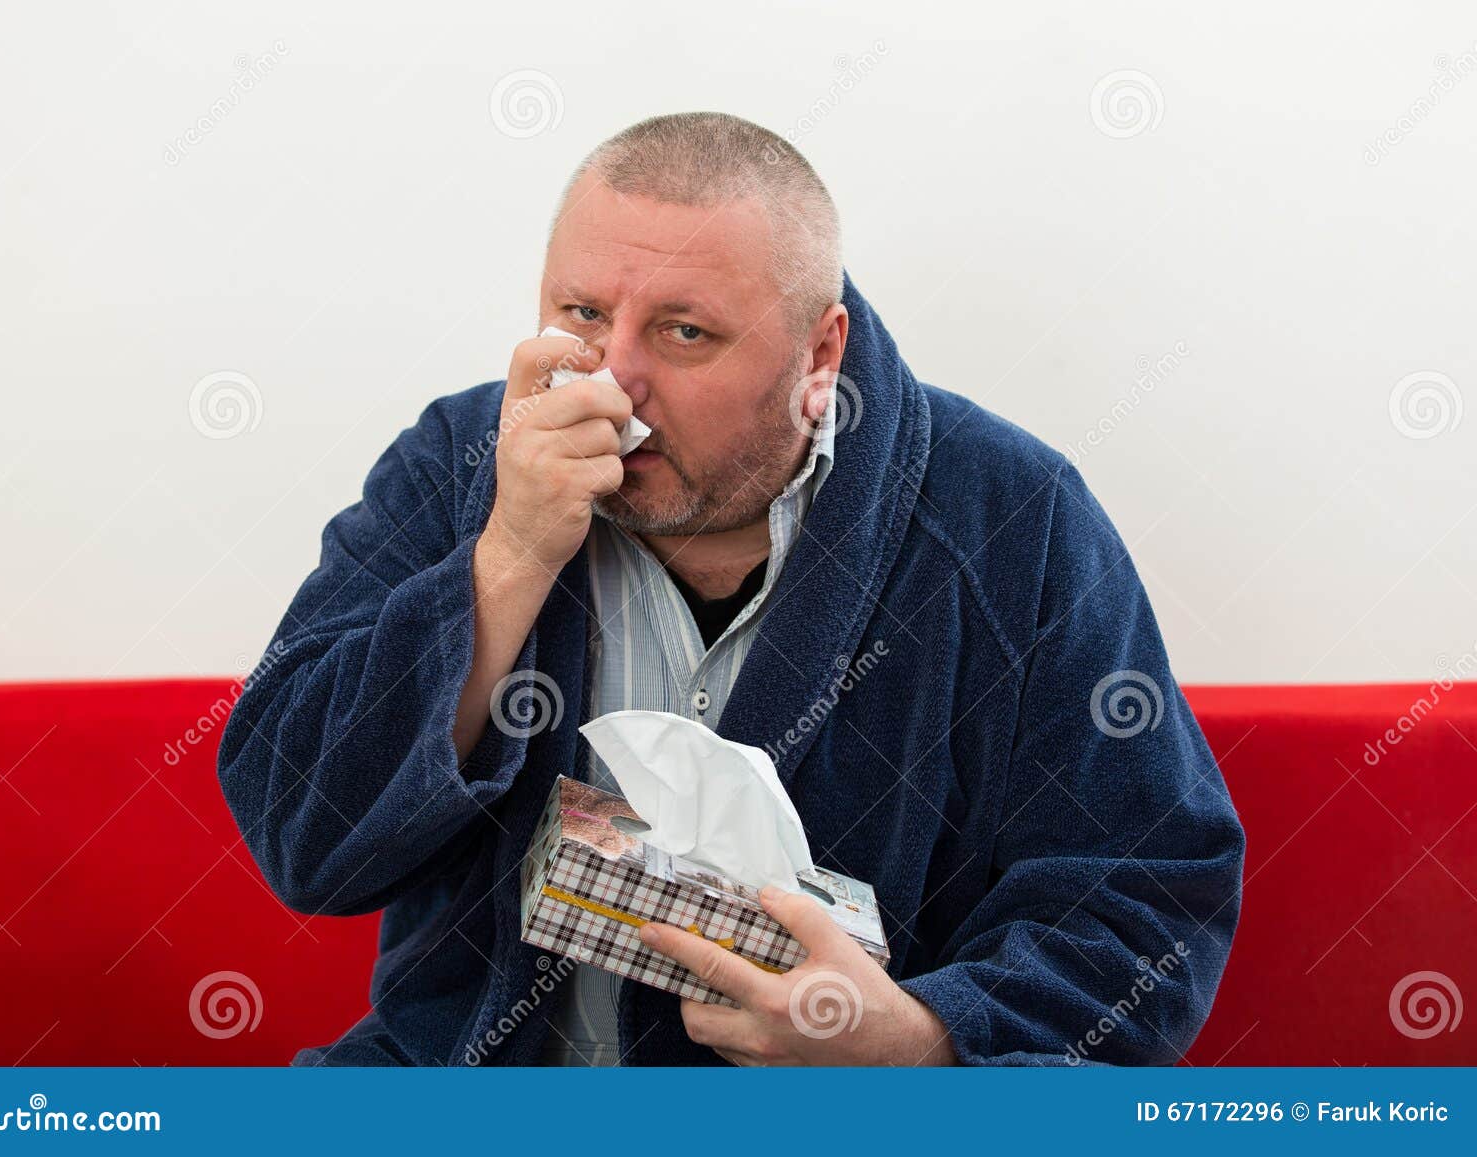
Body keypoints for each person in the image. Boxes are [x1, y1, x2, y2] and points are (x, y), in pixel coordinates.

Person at [216, 111, 1245, 1066]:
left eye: (684, 333)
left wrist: (919, 1041)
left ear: (819, 353)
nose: (612, 382)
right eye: (581, 312)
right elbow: (305, 839)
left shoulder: (1009, 514)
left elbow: (1147, 898)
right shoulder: (459, 463)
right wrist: (508, 557)